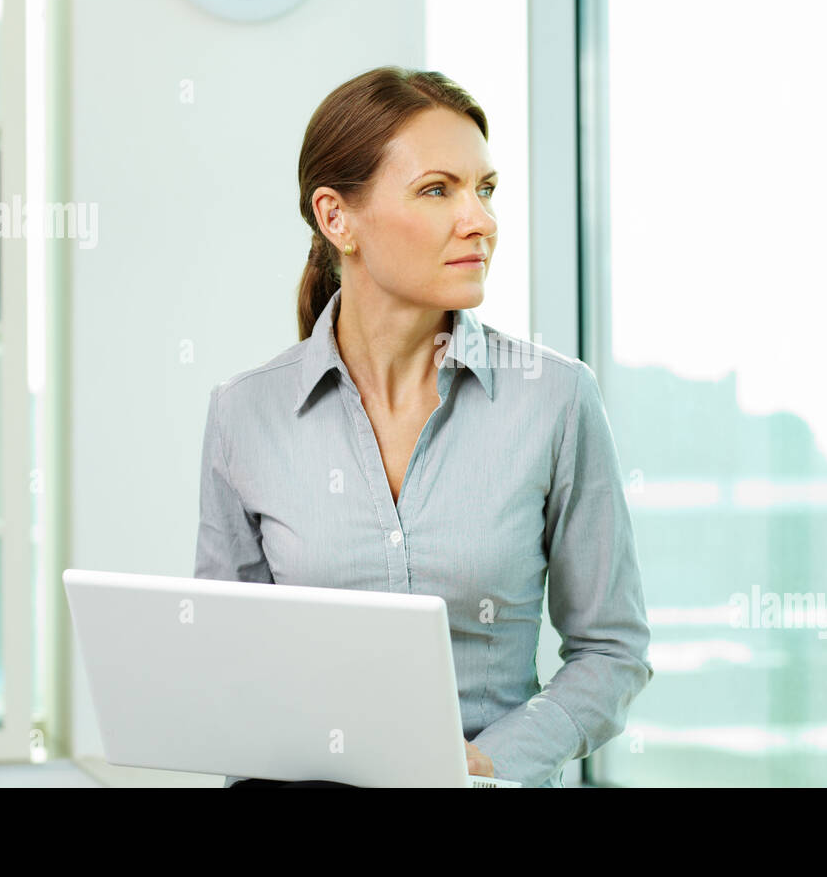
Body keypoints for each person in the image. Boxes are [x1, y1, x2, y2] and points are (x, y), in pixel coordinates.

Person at [194, 65, 653, 788]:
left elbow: (612, 650)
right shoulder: (245, 413)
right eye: (437, 190)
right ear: (336, 218)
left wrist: (488, 760)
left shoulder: (555, 400)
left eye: (486, 189)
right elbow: (228, 654)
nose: (480, 220)